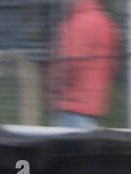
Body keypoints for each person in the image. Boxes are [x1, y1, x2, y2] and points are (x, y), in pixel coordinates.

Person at [49, 0, 120, 128]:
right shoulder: (104, 21)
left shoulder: (78, 22)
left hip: (72, 107)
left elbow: (68, 64)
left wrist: (53, 88)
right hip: (93, 105)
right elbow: (112, 65)